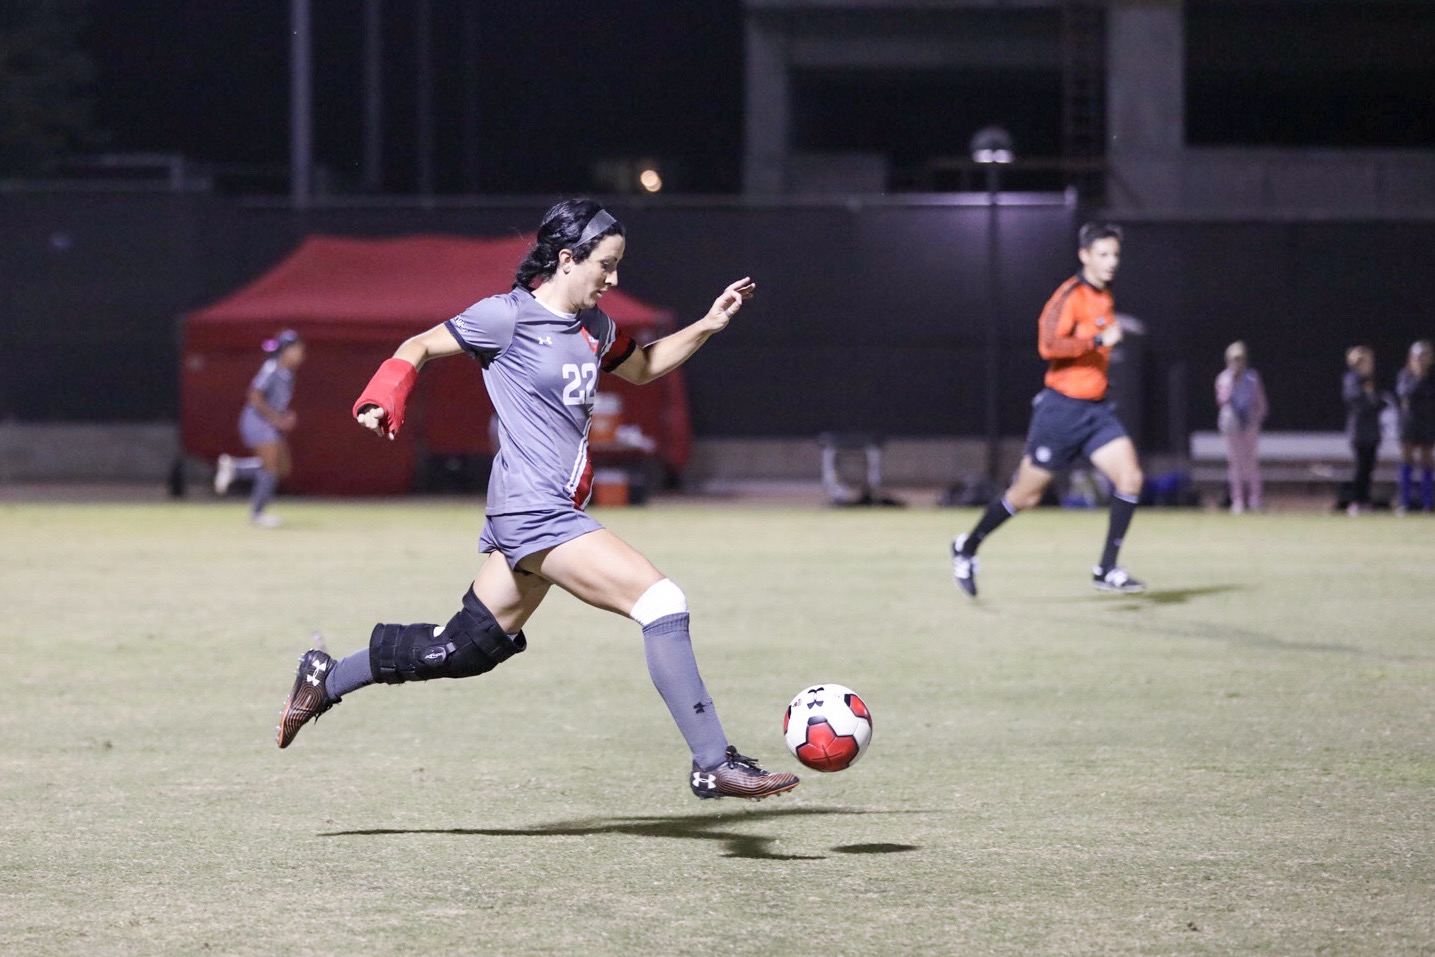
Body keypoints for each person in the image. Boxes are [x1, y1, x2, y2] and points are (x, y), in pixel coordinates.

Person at [274, 199, 798, 802]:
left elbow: (644, 367)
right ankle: (712, 761)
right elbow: (418, 344)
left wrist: (708, 324)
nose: (614, 279)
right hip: (534, 512)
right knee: (662, 602)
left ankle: (324, 678)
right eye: (606, 265)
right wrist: (383, 394)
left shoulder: (595, 326)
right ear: (568, 258)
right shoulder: (506, 317)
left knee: (460, 649)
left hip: (547, 514)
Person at [951, 221, 1146, 596]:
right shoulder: (1069, 296)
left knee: (1130, 478)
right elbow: (1048, 345)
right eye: (1103, 254)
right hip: (1061, 412)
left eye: (1115, 255)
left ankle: (1106, 569)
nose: (1111, 262)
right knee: (1026, 495)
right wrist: (1097, 340)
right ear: (1084, 255)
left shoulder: (1104, 295)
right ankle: (967, 546)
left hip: (1096, 412)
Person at [214, 329, 305, 528]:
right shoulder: (272, 368)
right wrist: (277, 419)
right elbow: (254, 396)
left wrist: (284, 416)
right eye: (298, 350)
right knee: (270, 467)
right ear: (286, 351)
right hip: (257, 422)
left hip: (270, 423)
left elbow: (276, 401)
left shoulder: (287, 374)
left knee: (282, 467)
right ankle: (257, 514)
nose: (301, 354)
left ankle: (236, 469)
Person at [1213, 340, 1269, 513]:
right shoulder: (1224, 378)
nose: (1237, 362)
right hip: (1232, 425)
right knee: (1235, 465)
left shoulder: (1252, 377)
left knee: (1251, 463)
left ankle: (1254, 500)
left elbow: (1261, 402)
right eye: (1234, 359)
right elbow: (1222, 400)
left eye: (1240, 359)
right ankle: (1238, 501)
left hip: (1249, 425)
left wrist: (1256, 419)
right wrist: (1232, 384)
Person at [1341, 345, 1385, 515]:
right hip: (1359, 432)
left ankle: (1365, 501)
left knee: (1369, 468)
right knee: (1360, 468)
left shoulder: (1370, 381)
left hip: (1373, 432)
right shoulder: (1352, 380)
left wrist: (1375, 403)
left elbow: (1379, 401)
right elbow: (1359, 403)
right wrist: (1373, 403)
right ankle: (1356, 501)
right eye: (1367, 362)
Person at [1395, 339, 1435, 513]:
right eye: (1418, 356)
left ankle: (1428, 503)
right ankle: (1404, 502)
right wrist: (1418, 377)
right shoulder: (1405, 375)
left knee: (1427, 459)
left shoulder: (1432, 377)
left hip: (1428, 422)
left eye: (1424, 356)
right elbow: (1405, 393)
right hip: (1409, 422)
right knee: (1407, 458)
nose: (1421, 360)